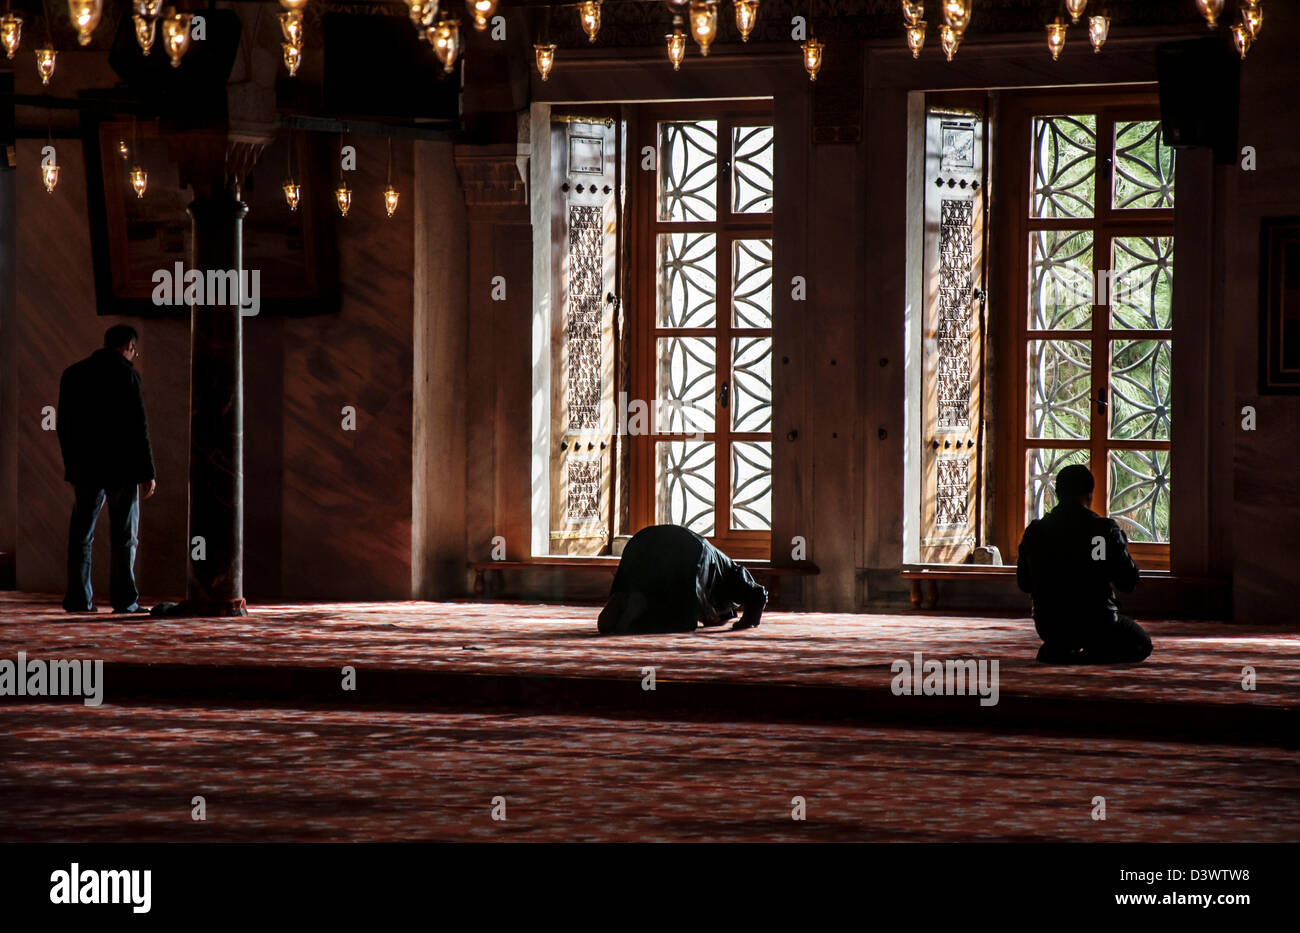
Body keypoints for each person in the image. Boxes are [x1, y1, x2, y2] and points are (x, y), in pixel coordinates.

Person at [57, 325, 157, 614]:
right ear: (128, 344)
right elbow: (139, 428)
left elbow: (65, 425)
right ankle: (125, 600)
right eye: (133, 350)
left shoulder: (73, 374)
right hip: (122, 469)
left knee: (81, 536)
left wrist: (72, 464)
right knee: (125, 537)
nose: (133, 355)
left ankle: (78, 599)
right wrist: (147, 471)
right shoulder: (127, 375)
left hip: (85, 467)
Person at [1016, 464, 1152, 664]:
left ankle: (1060, 650)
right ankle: (1090, 654)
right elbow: (1127, 582)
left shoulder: (1036, 530)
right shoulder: (1102, 531)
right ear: (1090, 494)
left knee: (1062, 637)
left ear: (1058, 493)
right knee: (1141, 645)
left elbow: (1024, 583)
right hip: (1098, 622)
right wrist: (1120, 546)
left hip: (1050, 625)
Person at [597, 524, 768, 634]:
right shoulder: (727, 570)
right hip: (687, 551)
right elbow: (757, 594)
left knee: (646, 593)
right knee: (681, 621)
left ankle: (629, 598)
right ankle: (633, 611)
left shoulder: (714, 577)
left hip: (641, 542)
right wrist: (750, 619)